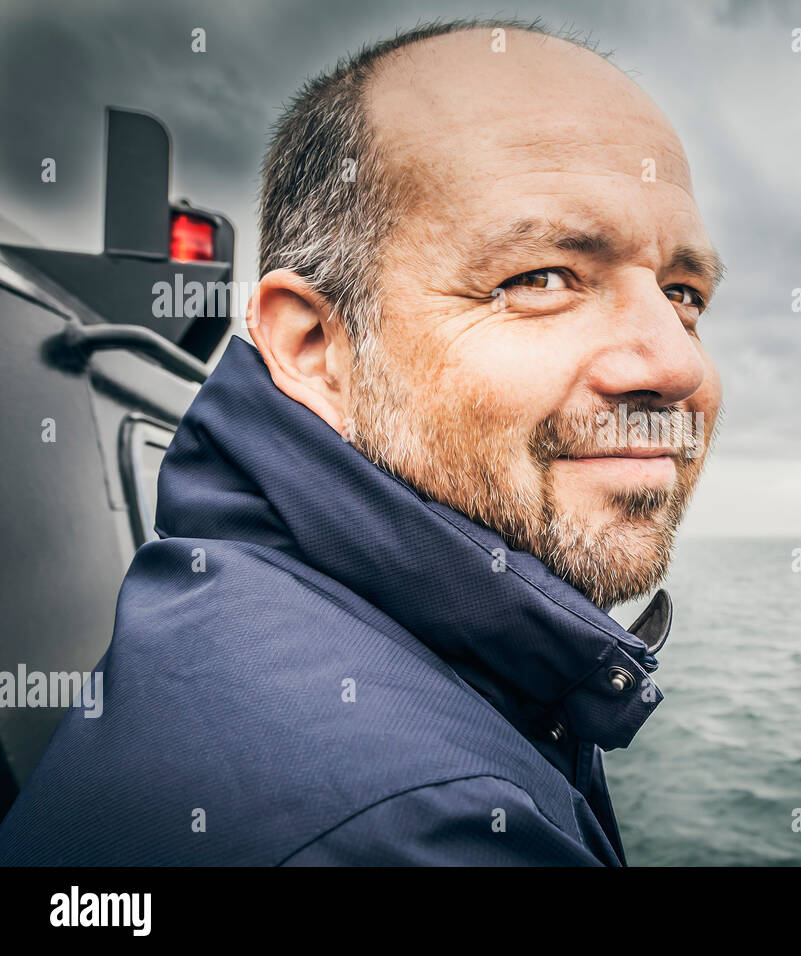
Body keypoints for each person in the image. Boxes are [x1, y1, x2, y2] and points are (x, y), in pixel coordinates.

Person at [0, 16, 723, 866]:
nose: (678, 364)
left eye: (683, 293)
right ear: (315, 347)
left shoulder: (264, 614)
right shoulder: (417, 833)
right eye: (540, 279)